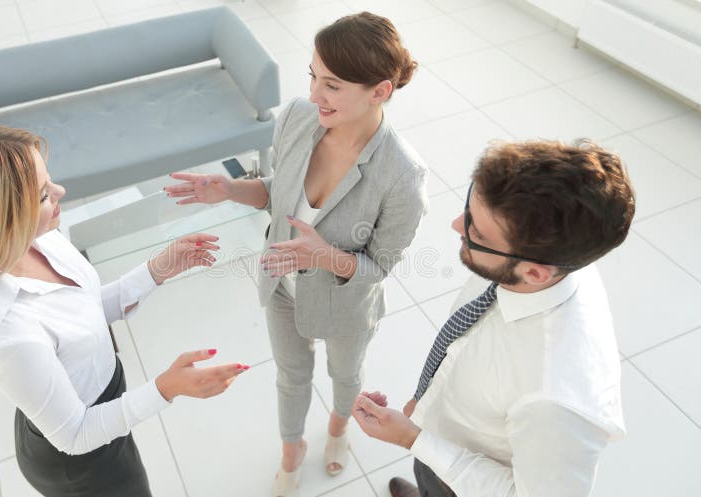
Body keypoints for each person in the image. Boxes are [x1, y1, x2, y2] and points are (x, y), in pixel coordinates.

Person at [163, 11, 427, 497]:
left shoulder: (403, 175)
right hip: (282, 288)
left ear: (380, 91)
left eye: (331, 85)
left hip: (346, 307)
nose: (313, 95)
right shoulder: (298, 118)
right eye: (312, 75)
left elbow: (381, 267)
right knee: (291, 375)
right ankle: (291, 449)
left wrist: (325, 255)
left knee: (345, 374)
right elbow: (274, 191)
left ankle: (338, 429)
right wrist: (228, 190)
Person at [0, 125, 249, 497]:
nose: (60, 193)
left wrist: (157, 270)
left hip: (93, 407)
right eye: (43, 194)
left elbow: (82, 314)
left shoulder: (38, 238)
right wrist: (167, 388)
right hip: (81, 460)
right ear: (0, 221)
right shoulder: (6, 335)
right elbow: (75, 434)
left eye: (49, 181)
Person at [351, 140, 635, 497]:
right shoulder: (544, 263)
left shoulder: (555, 399)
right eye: (469, 210)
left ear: (535, 273)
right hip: (441, 440)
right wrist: (424, 412)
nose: (457, 225)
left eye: (476, 232)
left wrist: (414, 438)